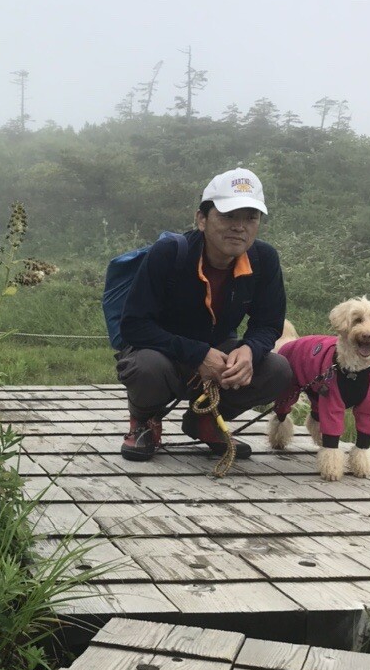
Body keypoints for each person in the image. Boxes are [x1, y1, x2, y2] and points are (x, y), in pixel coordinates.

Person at [117, 167, 293, 461]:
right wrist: (197, 354)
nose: (240, 227)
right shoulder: (170, 254)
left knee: (279, 370)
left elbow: (268, 323)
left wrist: (250, 350)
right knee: (145, 367)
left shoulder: (264, 260)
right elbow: (133, 325)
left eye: (250, 218)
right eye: (228, 216)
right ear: (201, 219)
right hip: (162, 353)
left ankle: (206, 420)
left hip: (219, 351)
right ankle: (144, 420)